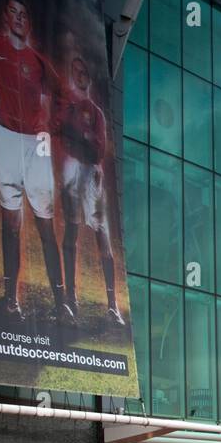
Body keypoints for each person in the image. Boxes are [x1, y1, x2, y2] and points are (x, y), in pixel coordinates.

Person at [0, 0, 73, 323]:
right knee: (10, 221)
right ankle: (11, 300)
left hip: (36, 143)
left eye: (24, 13)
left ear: (29, 21)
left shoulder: (37, 60)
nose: (18, 17)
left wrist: (51, 125)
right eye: (13, 11)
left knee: (45, 223)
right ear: (5, 16)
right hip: (5, 137)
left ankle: (61, 301)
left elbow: (61, 94)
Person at [56, 55, 124, 325]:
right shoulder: (67, 106)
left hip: (92, 174)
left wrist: (80, 137)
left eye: (83, 71)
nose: (79, 75)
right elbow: (60, 131)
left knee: (102, 237)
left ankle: (113, 305)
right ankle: (70, 300)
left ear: (89, 77)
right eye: (75, 71)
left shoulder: (95, 112)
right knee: (70, 231)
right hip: (72, 170)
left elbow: (97, 149)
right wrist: (76, 138)